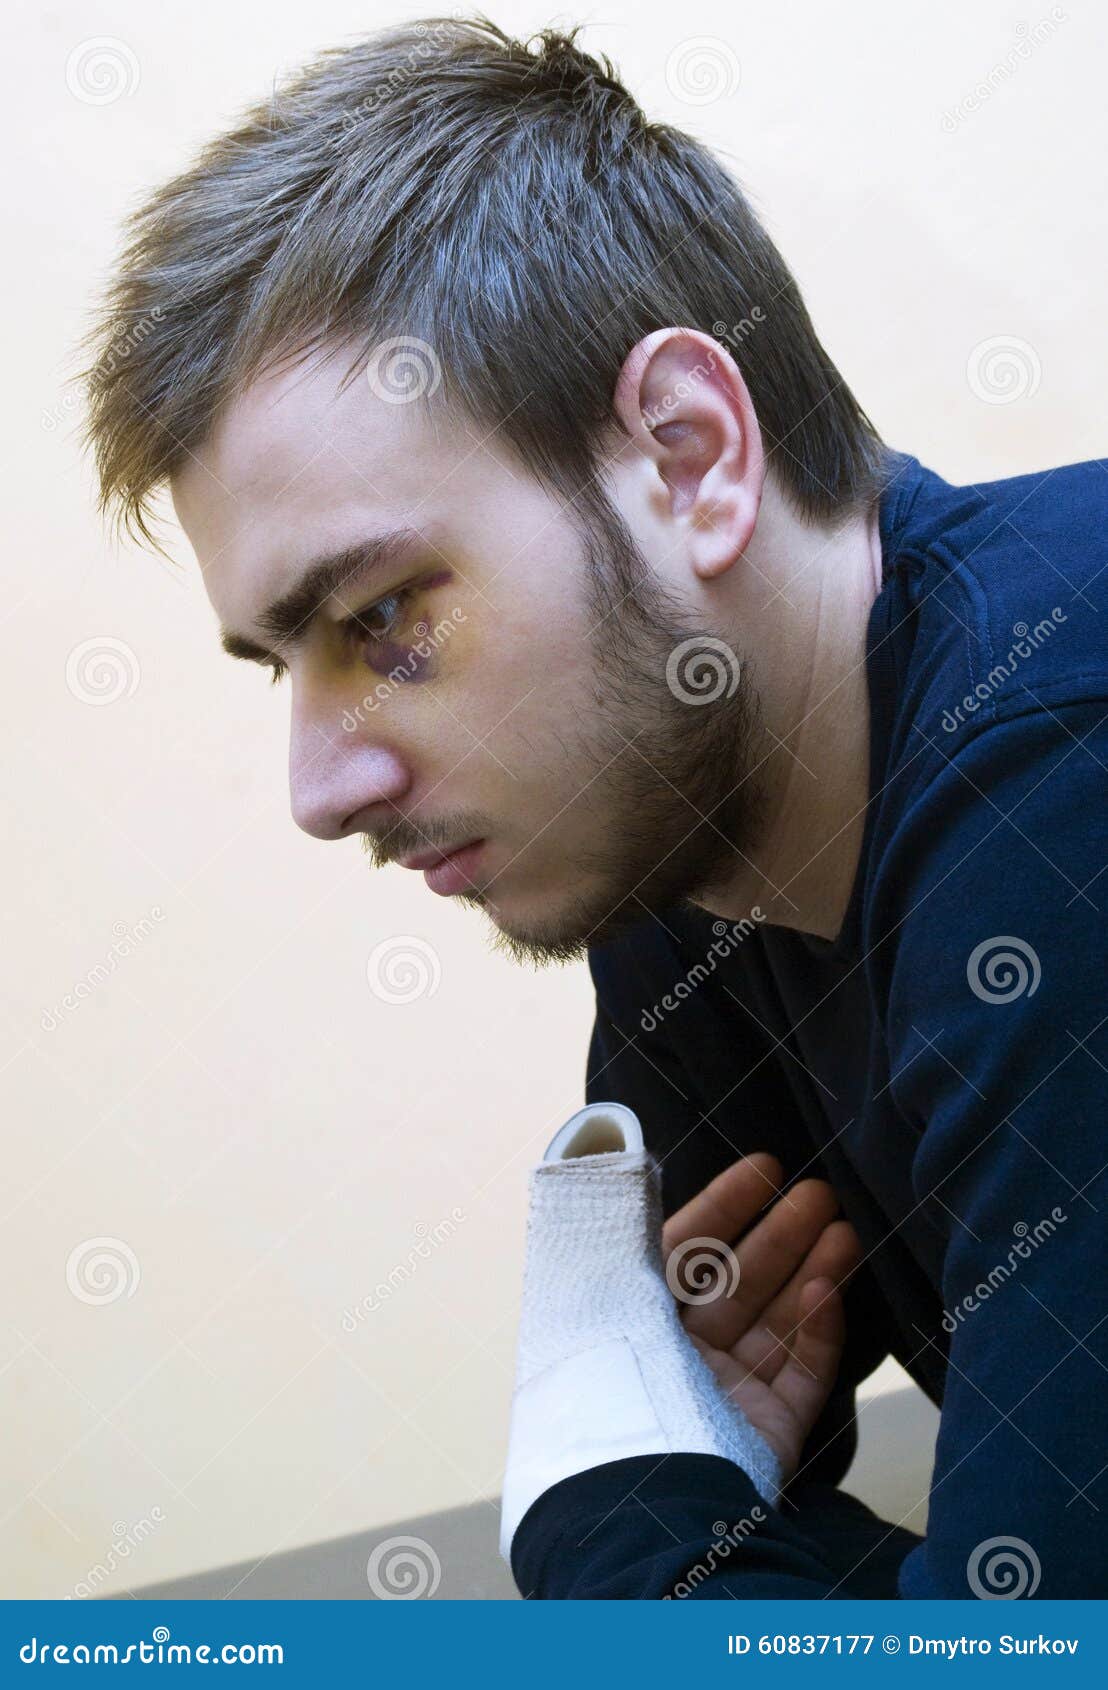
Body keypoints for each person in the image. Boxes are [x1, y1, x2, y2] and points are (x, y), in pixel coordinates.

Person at [79, 16, 1108, 1598]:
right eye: (280, 660)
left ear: (687, 458)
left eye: (384, 617)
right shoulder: (686, 852)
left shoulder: (1060, 765)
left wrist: (613, 1513)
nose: (318, 786)